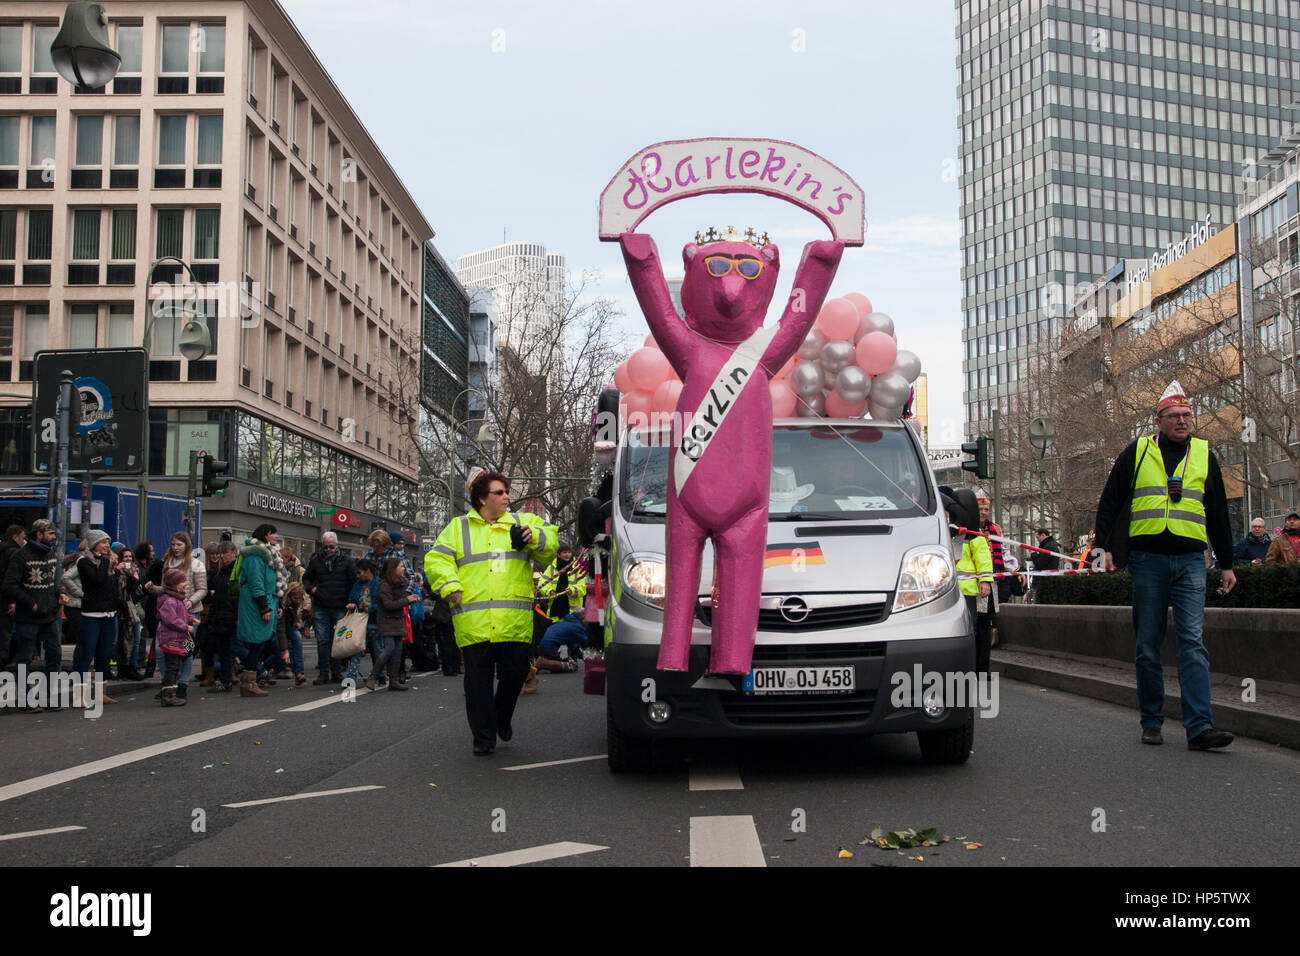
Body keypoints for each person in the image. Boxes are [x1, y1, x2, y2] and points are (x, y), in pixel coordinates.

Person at [1093, 380, 1236, 751]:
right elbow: (1110, 500)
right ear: (1158, 420)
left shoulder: (1204, 454)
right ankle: (1152, 721)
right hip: (1148, 561)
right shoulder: (1138, 451)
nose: (1182, 421)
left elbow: (1219, 511)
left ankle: (1200, 728)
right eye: (1173, 416)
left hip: (1191, 560)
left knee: (1192, 643)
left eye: (1187, 415)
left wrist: (1227, 564)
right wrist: (1102, 546)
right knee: (1147, 645)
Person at [424, 470, 559, 755]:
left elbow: (551, 547)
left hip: (514, 622)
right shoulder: (458, 528)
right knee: (477, 686)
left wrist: (533, 537)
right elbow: (437, 559)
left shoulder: (523, 522)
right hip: (474, 622)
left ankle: (502, 716)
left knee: (515, 674)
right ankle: (483, 739)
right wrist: (449, 584)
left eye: (506, 491)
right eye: (500, 492)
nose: (506, 497)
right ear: (482, 498)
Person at [2, 519, 66, 710]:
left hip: (49, 615)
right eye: (50, 533)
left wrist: (59, 594)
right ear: (38, 534)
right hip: (28, 617)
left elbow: (54, 580)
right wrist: (31, 603)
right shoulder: (21, 557)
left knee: (55, 654)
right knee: (25, 658)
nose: (53, 537)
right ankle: (25, 699)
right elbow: (9, 585)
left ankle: (46, 697)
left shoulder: (52, 554)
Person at [144, 532, 207, 699]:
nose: (175, 548)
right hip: (169, 612)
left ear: (186, 545)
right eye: (173, 544)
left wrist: (191, 601)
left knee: (186, 651)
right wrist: (153, 589)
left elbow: (202, 588)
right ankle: (168, 683)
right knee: (160, 649)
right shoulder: (168, 563)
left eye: (179, 545)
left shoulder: (196, 564)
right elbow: (165, 589)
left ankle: (182, 684)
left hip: (189, 612)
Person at [234, 523, 288, 696]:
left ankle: (251, 680)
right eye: (274, 533)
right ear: (266, 535)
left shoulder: (268, 555)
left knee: (260, 643)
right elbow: (257, 583)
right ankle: (248, 682)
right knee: (256, 643)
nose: (276, 537)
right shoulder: (255, 557)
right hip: (256, 606)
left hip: (267, 603)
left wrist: (277, 604)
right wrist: (264, 608)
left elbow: (272, 583)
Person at [73, 530, 120, 705]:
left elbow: (112, 586)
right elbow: (97, 580)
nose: (107, 545)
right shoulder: (84, 562)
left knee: (104, 654)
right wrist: (106, 562)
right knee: (87, 654)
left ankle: (101, 693)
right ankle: (80, 695)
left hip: (109, 613)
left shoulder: (107, 562)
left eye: (108, 542)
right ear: (94, 544)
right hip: (91, 615)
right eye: (103, 542)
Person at [302, 531, 354, 685]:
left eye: (331, 547)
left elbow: (352, 581)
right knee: (323, 640)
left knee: (337, 640)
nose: (328, 550)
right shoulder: (316, 560)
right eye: (326, 547)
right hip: (321, 606)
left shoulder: (346, 560)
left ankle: (336, 671)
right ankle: (324, 672)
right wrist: (311, 589)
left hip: (340, 605)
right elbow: (306, 578)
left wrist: (350, 601)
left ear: (337, 546)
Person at [956, 523, 995, 674]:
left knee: (969, 630)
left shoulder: (970, 531)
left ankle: (968, 668)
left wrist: (985, 580)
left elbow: (982, 555)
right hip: (941, 589)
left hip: (967, 590)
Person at [156, 568, 198, 707]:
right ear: (174, 584)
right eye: (182, 581)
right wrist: (186, 626)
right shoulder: (169, 601)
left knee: (175, 666)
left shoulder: (177, 599)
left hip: (177, 638)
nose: (185, 583)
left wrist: (191, 619)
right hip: (171, 638)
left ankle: (170, 693)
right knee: (172, 667)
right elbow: (171, 620)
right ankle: (168, 695)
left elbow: (183, 614)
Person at [373, 557, 417, 691]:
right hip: (386, 620)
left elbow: (400, 601)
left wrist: (410, 600)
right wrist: (407, 600)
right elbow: (389, 605)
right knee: (389, 648)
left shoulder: (401, 583)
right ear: (393, 569)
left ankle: (394, 680)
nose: (403, 569)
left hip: (397, 619)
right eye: (401, 566)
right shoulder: (384, 584)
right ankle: (373, 676)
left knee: (398, 650)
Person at [205, 541, 239, 692]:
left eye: (225, 553)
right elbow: (217, 598)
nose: (222, 556)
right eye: (221, 553)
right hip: (220, 616)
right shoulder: (220, 574)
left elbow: (238, 596)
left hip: (233, 616)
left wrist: (238, 615)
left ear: (234, 553)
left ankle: (259, 670)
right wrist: (211, 618)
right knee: (224, 650)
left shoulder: (237, 571)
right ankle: (225, 681)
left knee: (239, 649)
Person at [346, 559, 379, 687]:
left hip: (374, 622)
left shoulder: (377, 584)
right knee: (357, 650)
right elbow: (352, 597)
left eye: (360, 573)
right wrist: (352, 604)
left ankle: (380, 674)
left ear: (368, 571)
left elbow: (382, 603)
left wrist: (370, 608)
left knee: (377, 651)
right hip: (360, 622)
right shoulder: (358, 584)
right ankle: (351, 677)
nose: (358, 576)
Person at [0, 524, 25, 667]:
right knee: (5, 631)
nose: (24, 541)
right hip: (6, 598)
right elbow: (11, 579)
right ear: (15, 537)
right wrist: (13, 601)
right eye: (22, 538)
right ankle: (3, 661)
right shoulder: (15, 553)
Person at [280, 583, 309, 684]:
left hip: (289, 625)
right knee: (280, 650)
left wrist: (297, 622)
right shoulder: (283, 607)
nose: (298, 601)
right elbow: (281, 628)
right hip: (281, 627)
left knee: (296, 641)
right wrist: (285, 649)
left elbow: (294, 614)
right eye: (295, 598)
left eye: (299, 598)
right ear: (289, 596)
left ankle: (299, 672)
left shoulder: (292, 605)